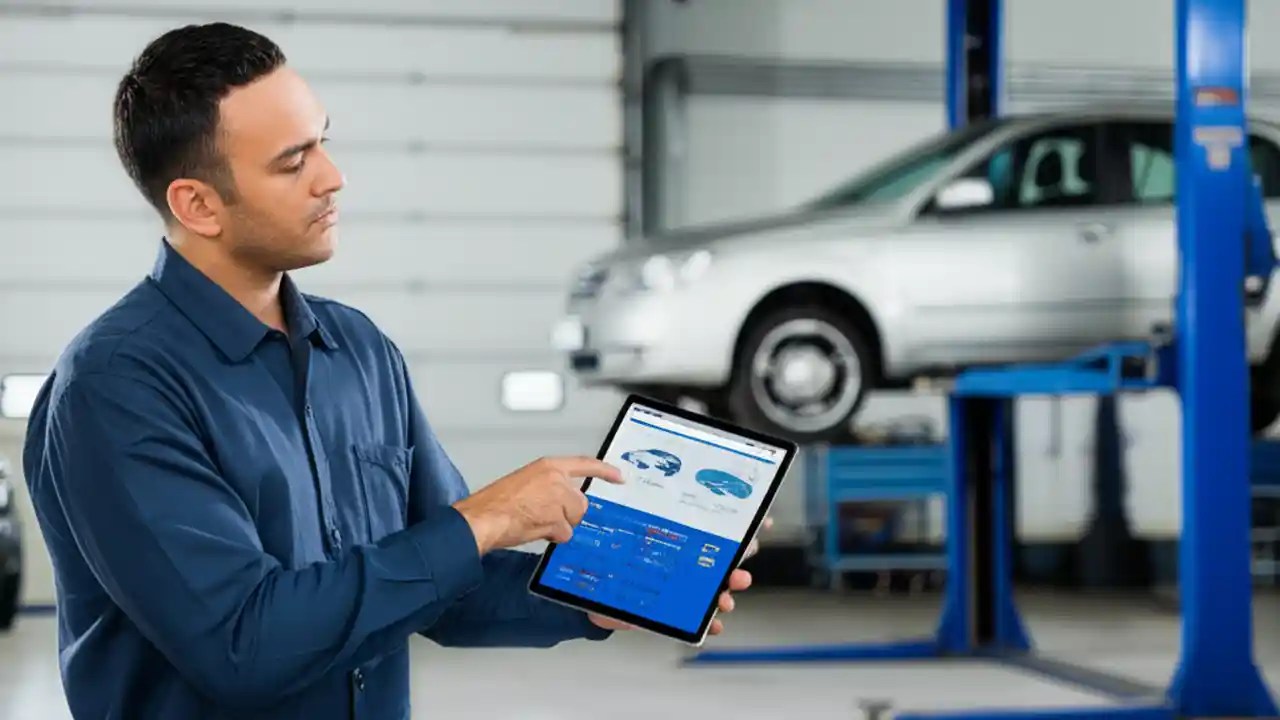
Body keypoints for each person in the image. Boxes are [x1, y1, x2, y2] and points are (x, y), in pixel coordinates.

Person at [21, 22, 760, 720]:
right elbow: (241, 645)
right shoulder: (117, 386)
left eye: (324, 143)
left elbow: (442, 589)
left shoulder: (360, 352)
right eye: (293, 161)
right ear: (198, 204)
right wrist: (486, 520)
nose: (333, 178)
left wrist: (597, 595)